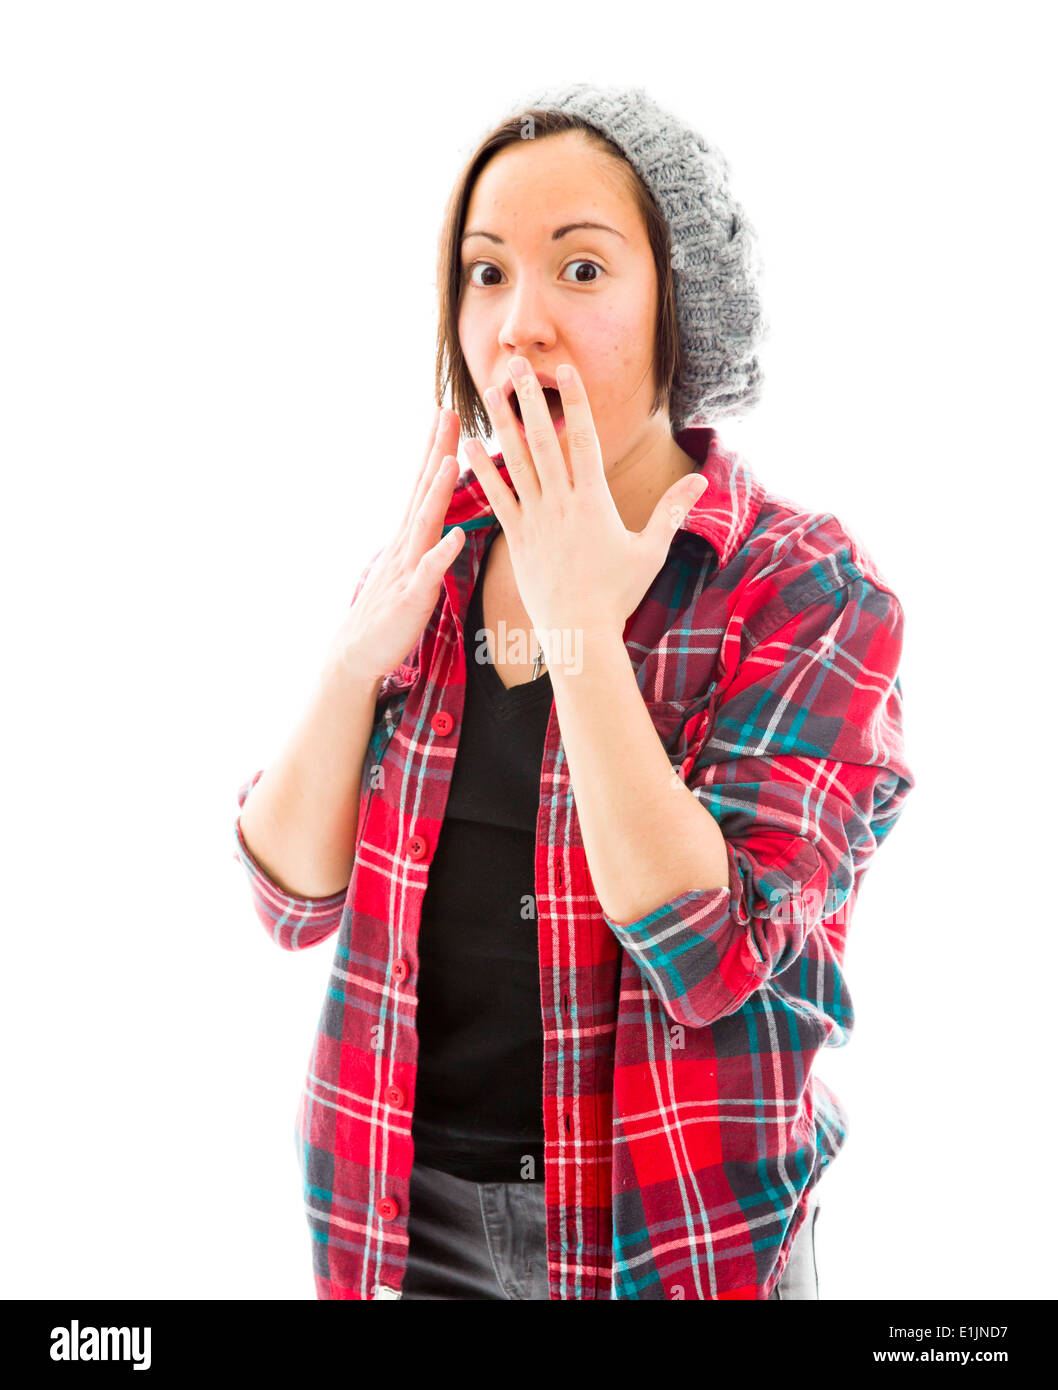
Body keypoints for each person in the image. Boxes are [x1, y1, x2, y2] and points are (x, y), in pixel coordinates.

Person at [232, 83, 914, 1301]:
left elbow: (707, 956)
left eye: (581, 271)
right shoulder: (432, 558)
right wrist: (350, 664)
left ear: (681, 315)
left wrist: (579, 630)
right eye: (486, 275)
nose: (518, 324)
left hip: (669, 1237)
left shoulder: (802, 588)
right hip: (399, 1221)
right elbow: (287, 897)